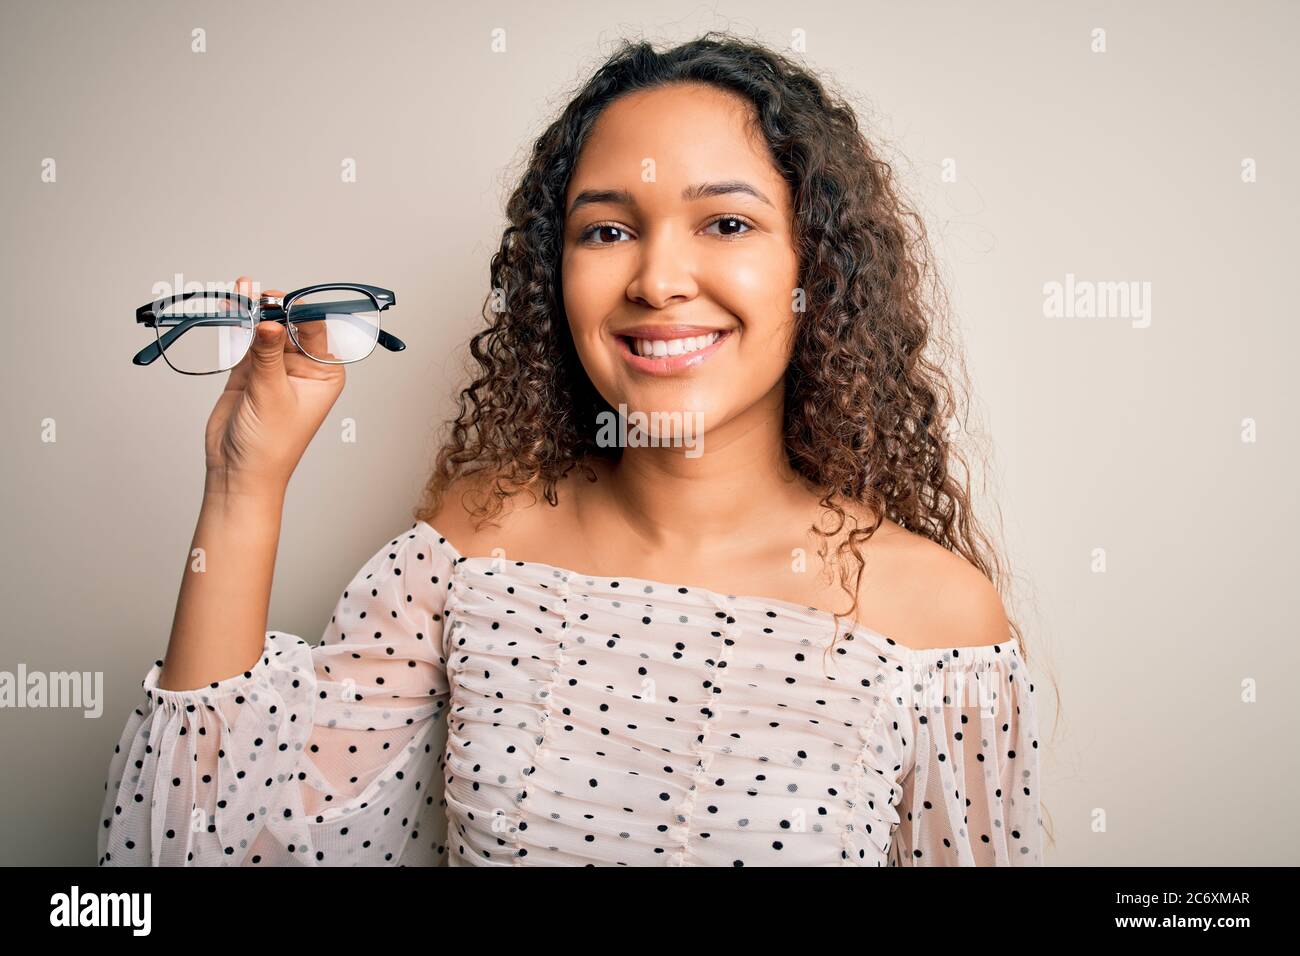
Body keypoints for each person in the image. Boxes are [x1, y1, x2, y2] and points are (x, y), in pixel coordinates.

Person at [98, 33, 1046, 867]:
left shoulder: (937, 621)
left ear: (817, 268)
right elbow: (201, 852)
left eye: (726, 223)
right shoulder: (478, 540)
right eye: (607, 230)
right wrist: (242, 483)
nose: (660, 279)